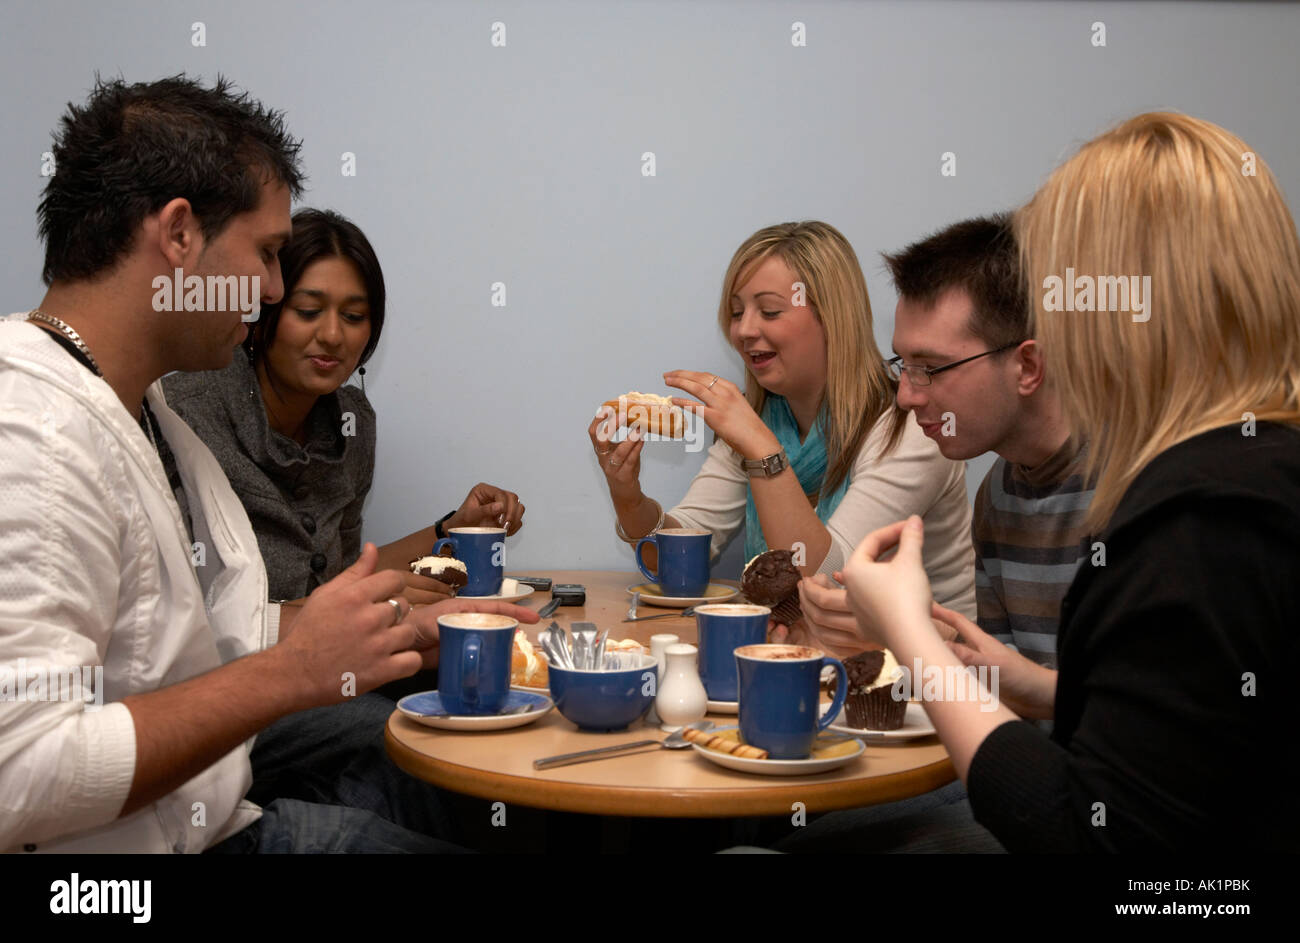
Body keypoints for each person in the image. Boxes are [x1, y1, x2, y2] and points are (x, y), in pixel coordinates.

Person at [0, 75, 536, 853]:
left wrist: (395, 630)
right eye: (269, 254)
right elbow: (21, 775)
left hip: (218, 817)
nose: (273, 290)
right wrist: (293, 676)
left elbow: (219, 633)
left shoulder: (144, 416)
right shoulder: (36, 437)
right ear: (180, 234)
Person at [837, 112, 1300, 851]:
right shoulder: (1256, 468)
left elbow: (1097, 843)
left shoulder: (1208, 514)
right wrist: (1032, 685)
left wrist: (910, 635)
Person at [588, 221, 975, 619]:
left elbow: (825, 577)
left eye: (769, 311)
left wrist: (761, 449)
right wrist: (628, 496)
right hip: (803, 651)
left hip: (922, 669)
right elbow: (682, 550)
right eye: (737, 312)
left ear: (831, 318)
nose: (744, 330)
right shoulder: (763, 418)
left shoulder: (913, 426)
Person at [799, 216, 1088, 719]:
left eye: (929, 368)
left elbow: (1153, 722)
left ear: (1028, 367)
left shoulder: (1141, 488)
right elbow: (1004, 693)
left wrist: (914, 635)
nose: (907, 396)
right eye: (903, 366)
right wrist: (917, 635)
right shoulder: (1000, 490)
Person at [164, 208, 525, 606]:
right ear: (264, 309)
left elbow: (342, 576)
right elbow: (187, 618)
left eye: (353, 316)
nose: (333, 335)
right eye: (308, 311)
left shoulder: (352, 423)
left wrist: (453, 528)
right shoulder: (186, 414)